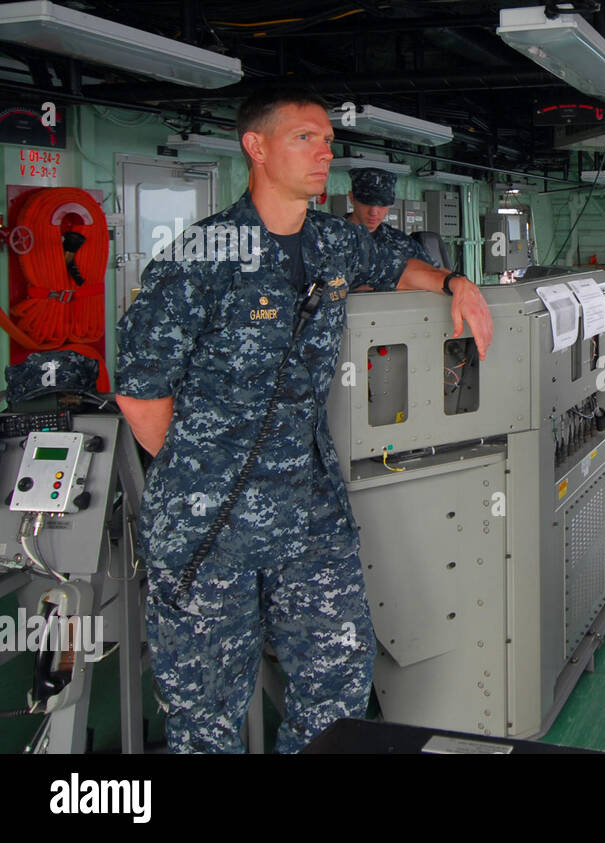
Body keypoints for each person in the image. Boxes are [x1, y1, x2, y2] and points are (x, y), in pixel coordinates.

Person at [115, 87, 493, 753]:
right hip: (212, 526)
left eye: (327, 140)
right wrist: (199, 478)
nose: (324, 152)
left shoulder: (333, 243)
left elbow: (398, 264)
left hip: (309, 512)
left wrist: (456, 282)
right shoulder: (200, 256)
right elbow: (141, 392)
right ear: (255, 147)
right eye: (304, 139)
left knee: (339, 676)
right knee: (206, 713)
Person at [344, 168, 452, 289]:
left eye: (382, 204)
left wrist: (458, 283)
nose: (374, 212)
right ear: (352, 198)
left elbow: (436, 272)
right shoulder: (330, 238)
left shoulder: (401, 242)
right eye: (367, 202)